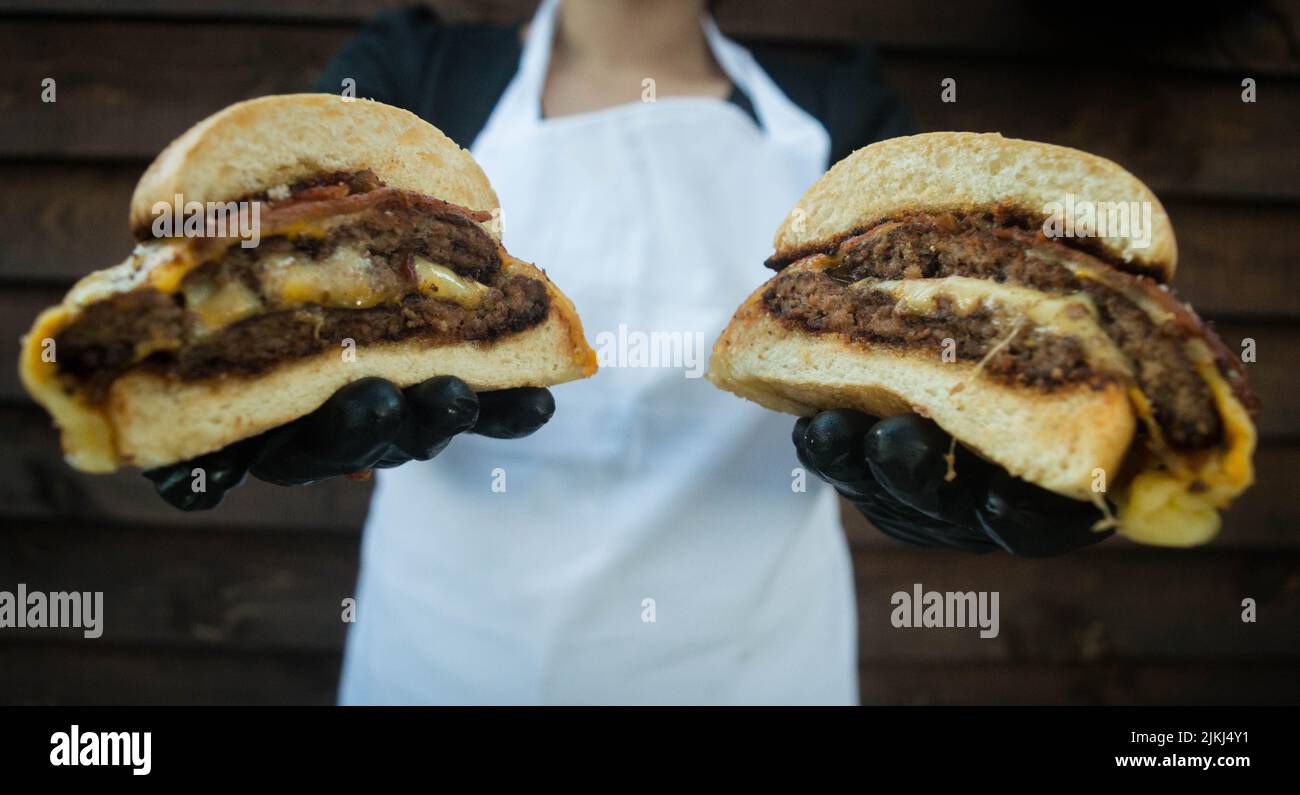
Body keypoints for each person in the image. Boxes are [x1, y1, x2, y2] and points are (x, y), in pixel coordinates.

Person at [146, 0, 1107, 705]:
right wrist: (239, 402)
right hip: (441, 664)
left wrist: (957, 483)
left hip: (756, 672)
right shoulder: (415, 72)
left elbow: (917, 410)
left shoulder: (835, 112)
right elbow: (239, 256)